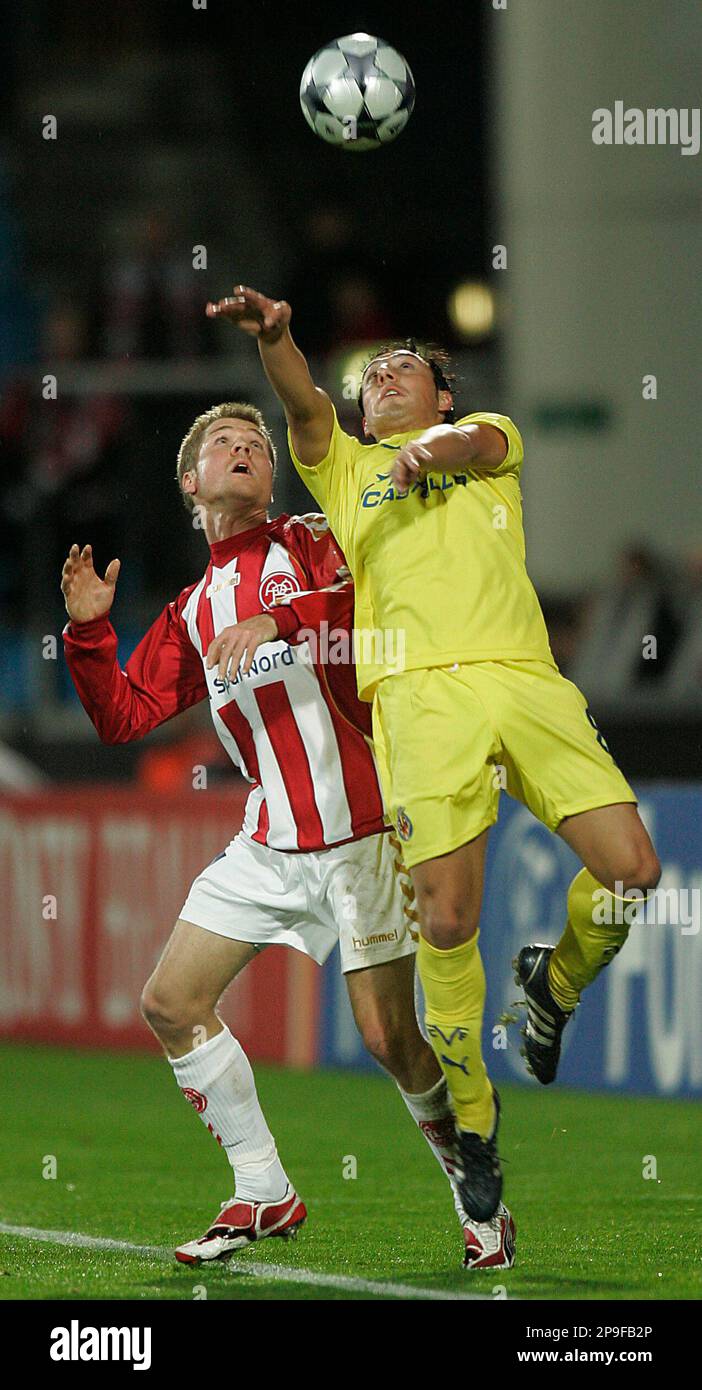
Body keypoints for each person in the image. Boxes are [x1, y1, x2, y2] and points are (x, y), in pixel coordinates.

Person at [207, 285, 662, 1224]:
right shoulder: (345, 472)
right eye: (369, 374)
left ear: (442, 396)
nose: (379, 377)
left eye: (400, 366)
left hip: (526, 679)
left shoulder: (486, 438)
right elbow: (300, 405)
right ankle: (476, 1123)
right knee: (448, 925)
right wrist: (281, 340)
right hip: (417, 701)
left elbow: (478, 444)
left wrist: (431, 451)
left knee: (633, 872)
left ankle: (556, 982)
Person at [61, 400, 516, 1272]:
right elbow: (124, 717)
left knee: (389, 1039)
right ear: (190, 482)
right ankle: (264, 1188)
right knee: (170, 1002)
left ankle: (476, 1192)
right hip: (269, 841)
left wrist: (282, 618)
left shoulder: (311, 540)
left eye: (257, 444)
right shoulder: (192, 610)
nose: (245, 449)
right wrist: (89, 633)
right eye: (222, 445)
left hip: (365, 830)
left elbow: (370, 597)